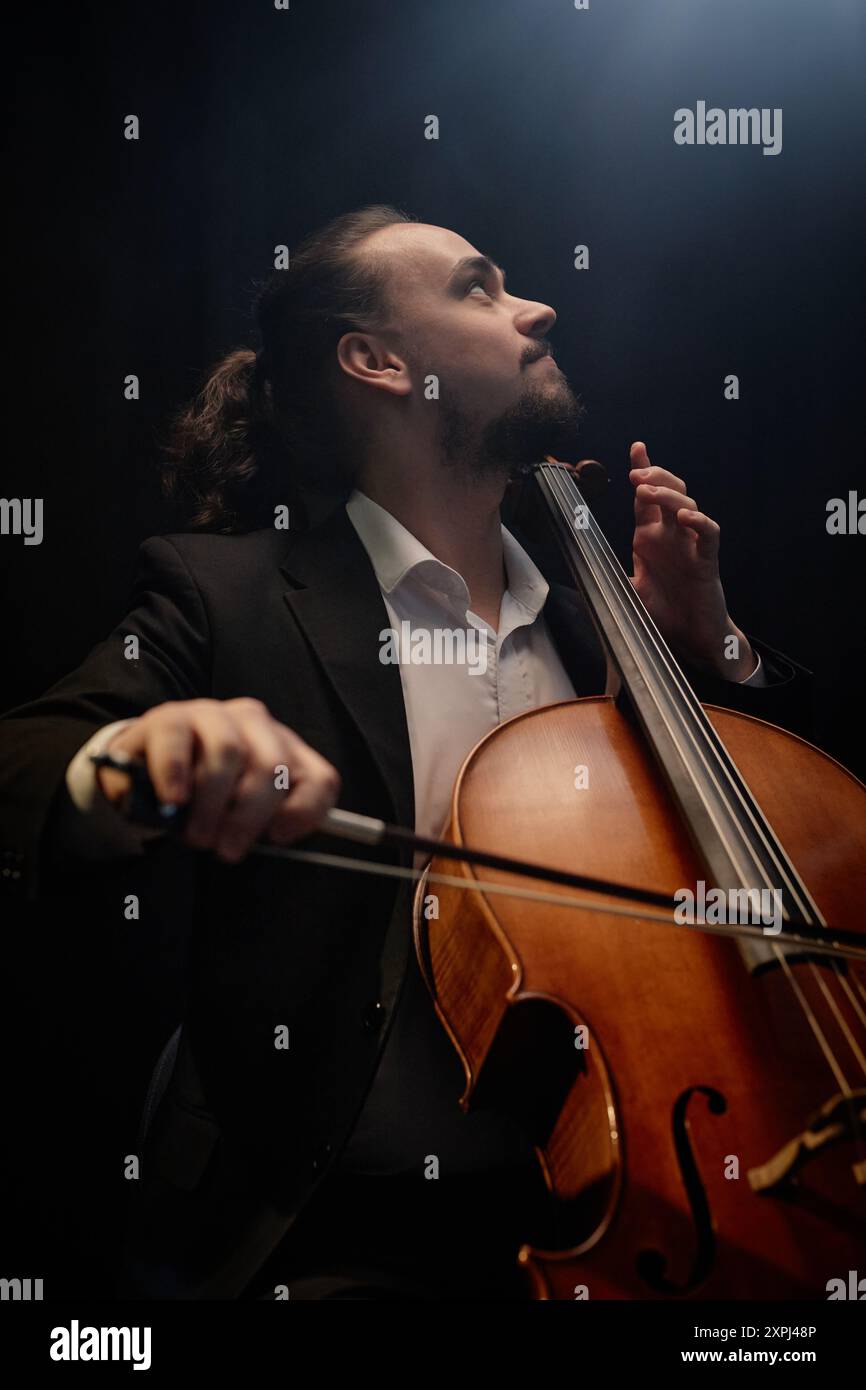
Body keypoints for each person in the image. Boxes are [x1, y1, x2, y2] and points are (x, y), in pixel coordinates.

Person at [0, 205, 810, 1300]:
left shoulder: (596, 625)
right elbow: (29, 758)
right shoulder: (229, 593)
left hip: (613, 1202)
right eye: (477, 288)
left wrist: (713, 643)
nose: (536, 305)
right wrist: (139, 755)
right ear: (377, 361)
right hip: (328, 1224)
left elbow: (807, 837)